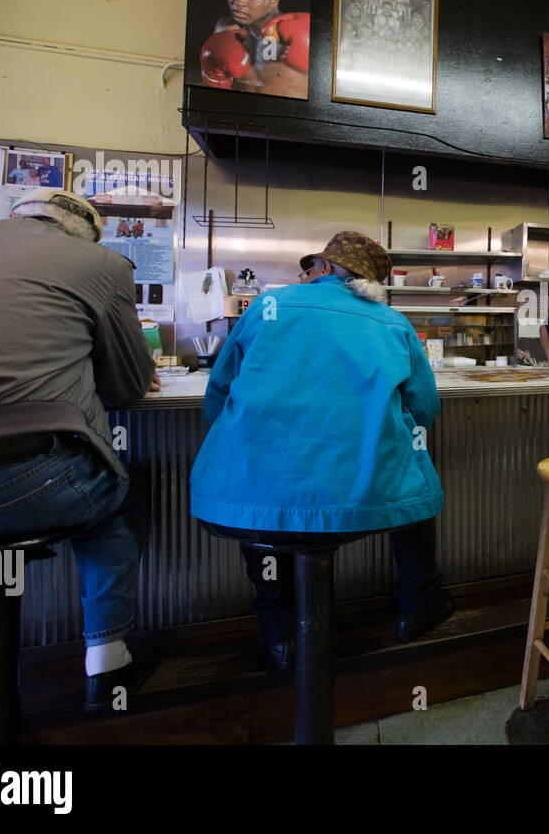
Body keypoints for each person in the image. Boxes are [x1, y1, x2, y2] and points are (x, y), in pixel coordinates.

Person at [0, 190, 159, 709]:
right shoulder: (100, 263)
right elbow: (128, 387)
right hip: (19, 481)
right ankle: (107, 656)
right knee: (122, 486)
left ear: (15, 217)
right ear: (90, 234)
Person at [190, 231, 453, 670]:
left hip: (256, 481)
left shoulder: (268, 306)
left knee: (259, 499)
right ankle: (418, 605)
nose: (305, 275)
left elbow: (218, 394)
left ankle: (279, 629)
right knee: (415, 487)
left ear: (328, 270)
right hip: (359, 486)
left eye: (311, 267)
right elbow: (424, 406)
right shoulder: (391, 320)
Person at [199, 0, 310, 99]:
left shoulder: (300, 33)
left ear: (274, 1)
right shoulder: (225, 27)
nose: (238, 2)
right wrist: (212, 77)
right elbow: (213, 94)